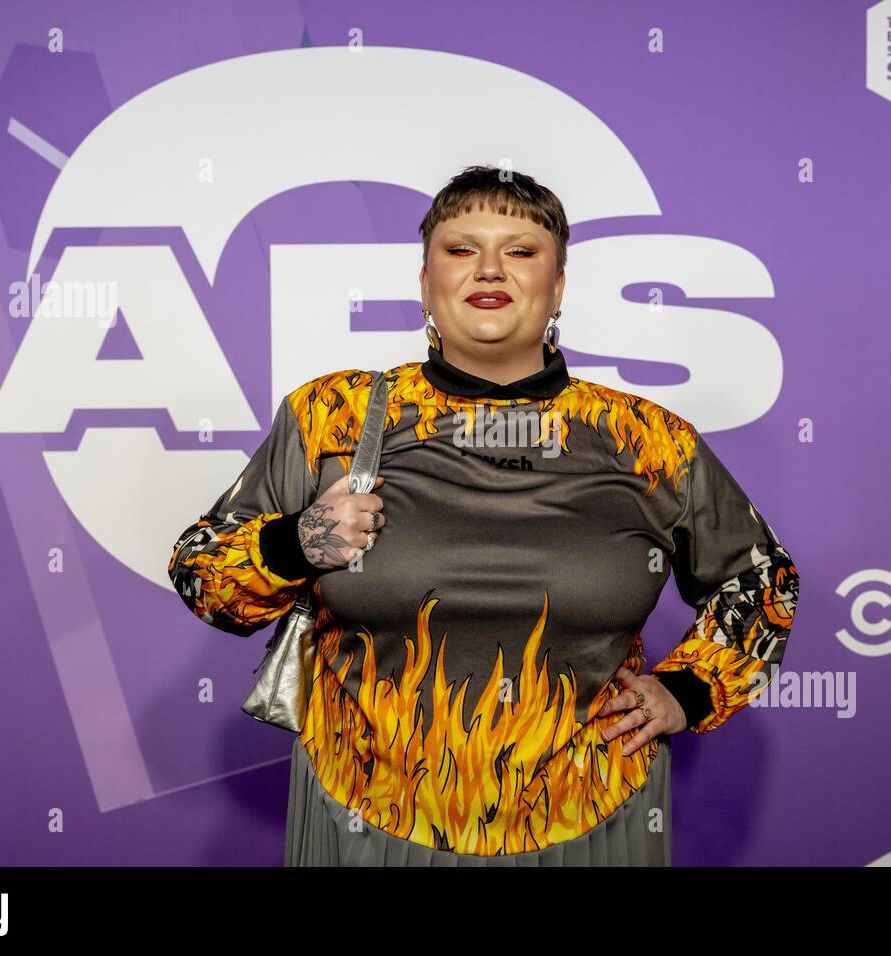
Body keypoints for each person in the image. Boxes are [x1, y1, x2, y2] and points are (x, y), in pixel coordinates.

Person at [167, 165, 800, 866]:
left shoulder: (644, 438)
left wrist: (690, 687)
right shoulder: (329, 417)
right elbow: (203, 576)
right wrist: (297, 542)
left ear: (558, 286)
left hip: (589, 818)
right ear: (424, 282)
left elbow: (760, 580)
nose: (490, 268)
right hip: (363, 817)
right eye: (461, 249)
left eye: (522, 251)